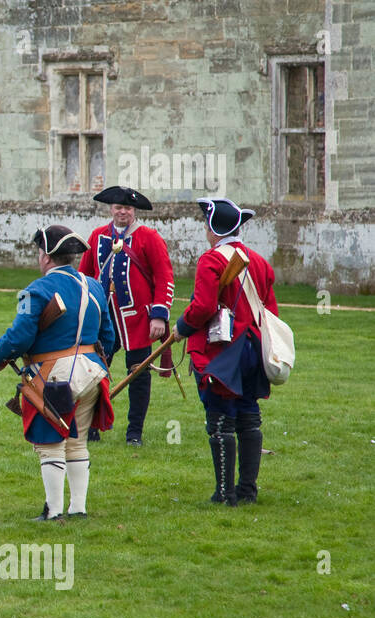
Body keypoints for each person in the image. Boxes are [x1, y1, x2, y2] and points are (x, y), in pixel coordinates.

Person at [0, 226, 115, 521]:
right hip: (92, 372)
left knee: (50, 445)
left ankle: (54, 511)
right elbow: (108, 337)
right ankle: (78, 508)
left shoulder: (37, 290)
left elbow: (19, 337)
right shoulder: (94, 286)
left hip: (54, 377)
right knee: (78, 441)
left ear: (46, 256)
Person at [173, 198, 277, 506]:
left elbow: (203, 307)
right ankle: (247, 491)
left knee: (219, 418)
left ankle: (224, 493)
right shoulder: (259, 261)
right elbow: (270, 311)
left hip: (222, 351)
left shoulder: (211, 261)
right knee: (248, 416)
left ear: (213, 227)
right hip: (252, 347)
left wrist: (182, 326)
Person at [78, 185, 175, 445]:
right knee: (94, 371)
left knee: (139, 375)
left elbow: (165, 277)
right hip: (103, 317)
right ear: (112, 209)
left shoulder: (149, 237)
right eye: (119, 207)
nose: (123, 212)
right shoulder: (98, 236)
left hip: (137, 318)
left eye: (128, 208)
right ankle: (91, 427)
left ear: (134, 212)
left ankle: (134, 433)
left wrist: (158, 314)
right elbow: (85, 276)